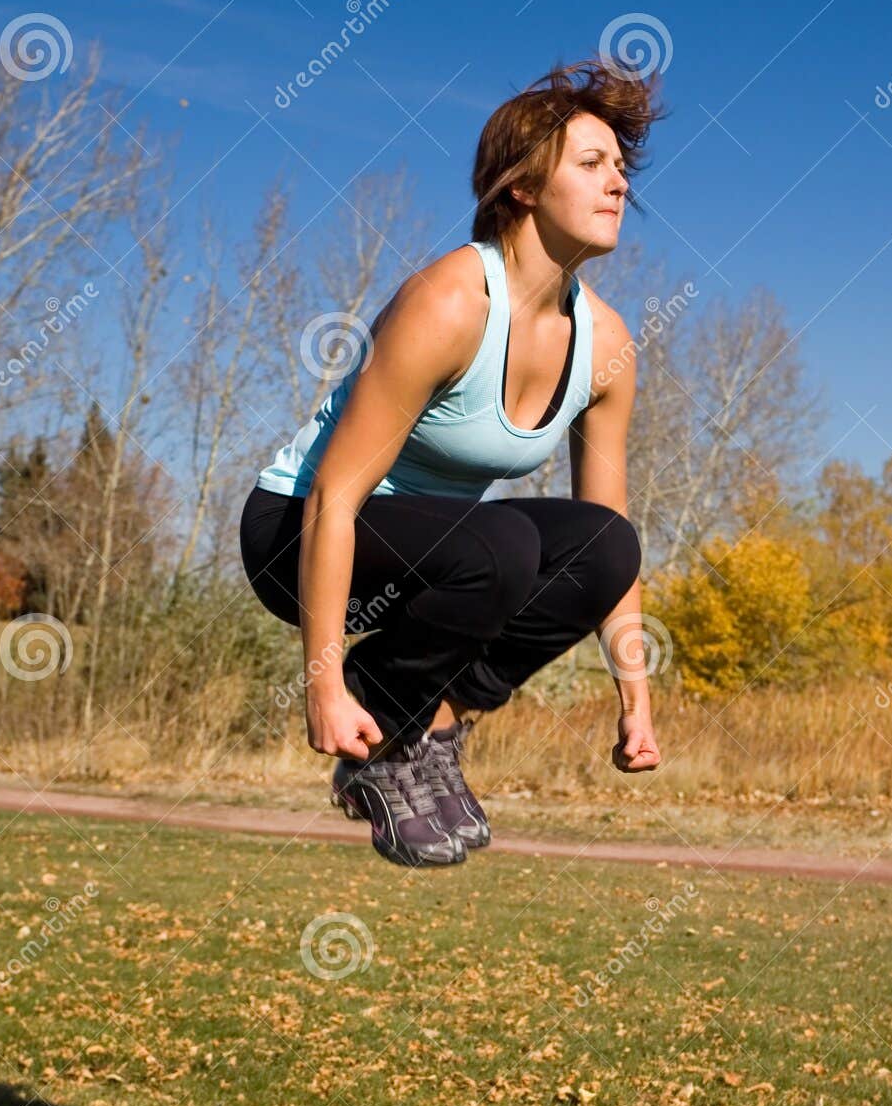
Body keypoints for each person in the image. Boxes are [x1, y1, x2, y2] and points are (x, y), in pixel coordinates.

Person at [240, 57, 665, 869]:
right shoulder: (450, 302)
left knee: (606, 544)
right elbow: (335, 493)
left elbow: (607, 549)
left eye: (620, 167)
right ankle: (379, 723)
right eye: (590, 163)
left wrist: (636, 702)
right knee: (499, 546)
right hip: (297, 535)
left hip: (432, 555)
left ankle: (433, 728)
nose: (618, 184)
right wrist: (326, 686)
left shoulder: (606, 342)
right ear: (523, 189)